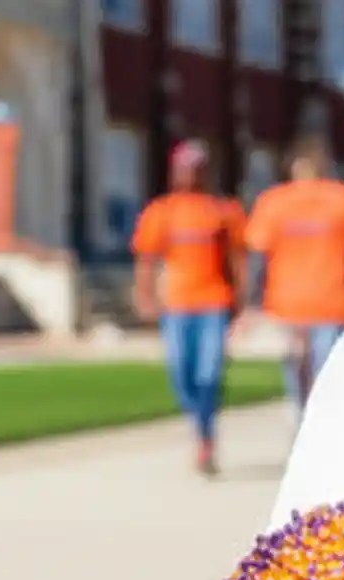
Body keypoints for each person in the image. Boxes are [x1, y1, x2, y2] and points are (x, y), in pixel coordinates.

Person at [130, 140, 246, 475]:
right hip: (177, 304)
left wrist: (241, 300)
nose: (189, 173)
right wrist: (145, 296)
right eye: (183, 167)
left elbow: (237, 259)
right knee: (181, 371)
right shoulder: (162, 212)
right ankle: (200, 423)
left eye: (196, 167)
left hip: (214, 301)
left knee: (208, 373)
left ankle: (206, 438)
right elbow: (147, 259)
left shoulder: (223, 211)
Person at [244, 134, 344, 415]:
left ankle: (303, 419)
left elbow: (258, 258)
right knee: (327, 373)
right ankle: (321, 423)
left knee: (297, 371)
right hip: (334, 300)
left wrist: (253, 302)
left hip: (287, 304)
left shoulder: (272, 202)